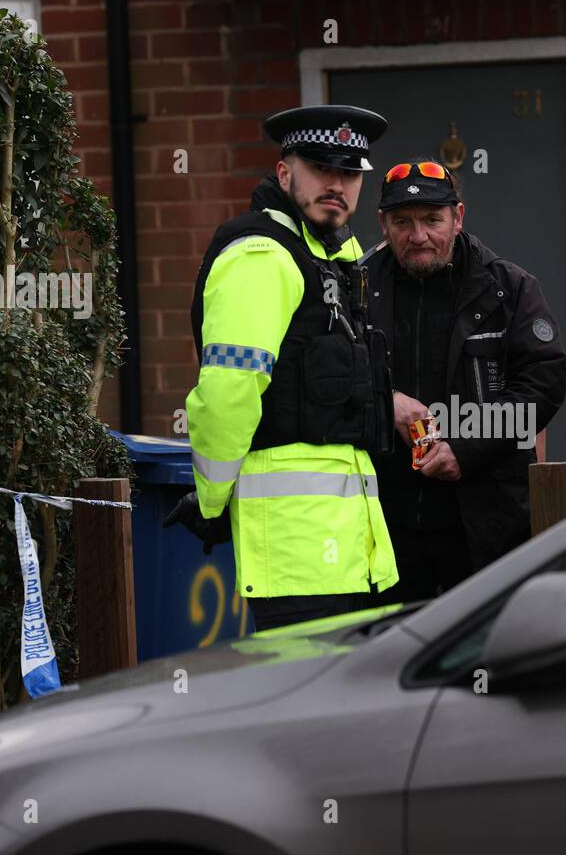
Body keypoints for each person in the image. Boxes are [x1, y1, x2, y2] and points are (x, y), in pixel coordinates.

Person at [165, 104, 399, 631]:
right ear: (284, 173)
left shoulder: (332, 259)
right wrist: (211, 502)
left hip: (351, 555)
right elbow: (228, 393)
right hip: (296, 556)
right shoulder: (260, 256)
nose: (336, 184)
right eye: (321, 169)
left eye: (349, 172)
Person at [360, 157, 566, 603]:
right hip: (379, 528)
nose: (418, 237)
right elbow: (324, 378)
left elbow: (541, 386)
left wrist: (467, 450)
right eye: (403, 222)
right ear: (383, 224)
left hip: (484, 522)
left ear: (458, 217)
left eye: (432, 220)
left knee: (485, 656)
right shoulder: (355, 289)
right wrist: (385, 400)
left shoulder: (509, 288)